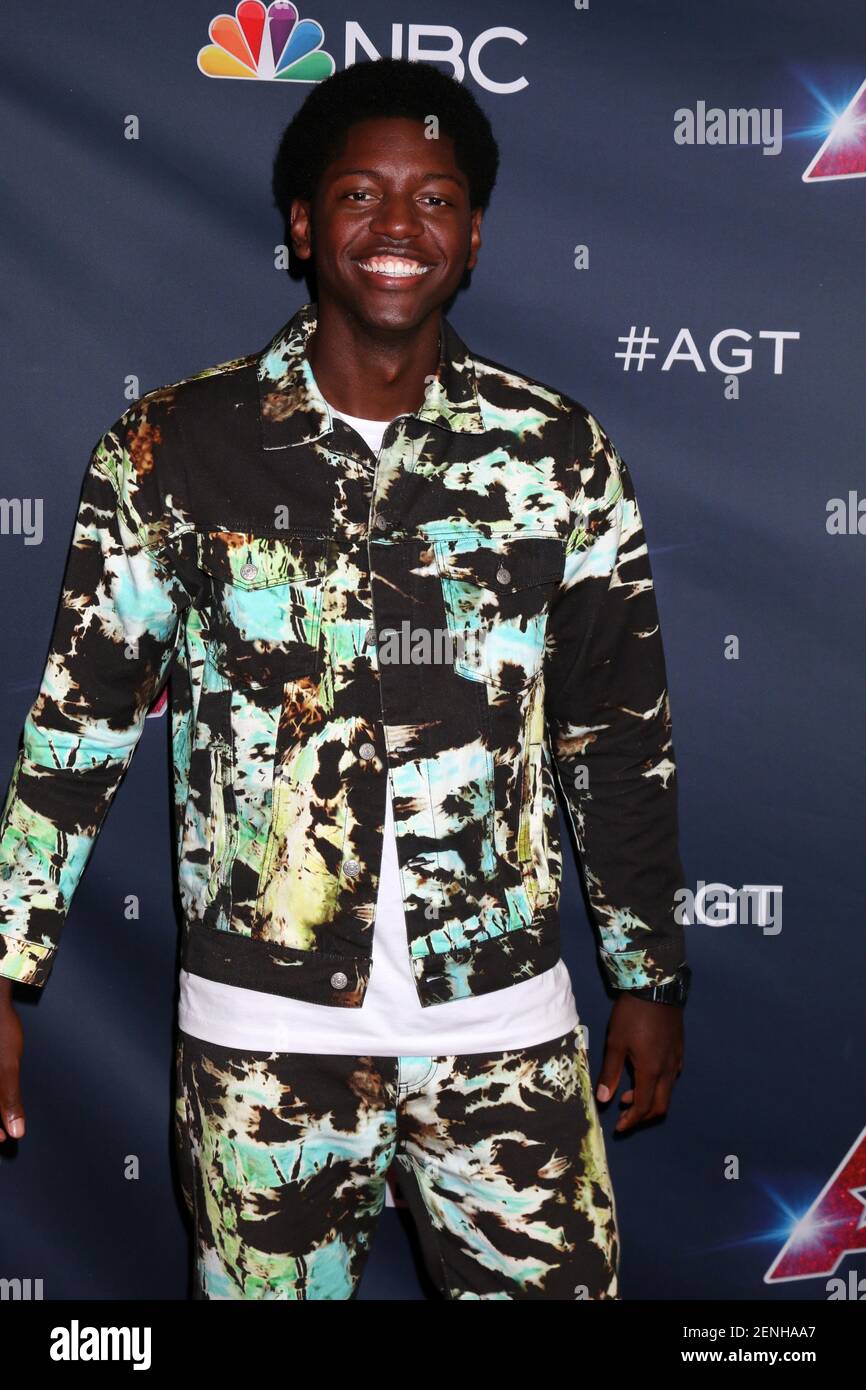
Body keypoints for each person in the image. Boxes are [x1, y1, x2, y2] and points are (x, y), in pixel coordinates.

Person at [0, 56, 690, 1300]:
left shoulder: (557, 454)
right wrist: (3, 962)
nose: (395, 227)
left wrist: (646, 972)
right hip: (262, 1045)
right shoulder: (168, 451)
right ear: (303, 223)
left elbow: (612, 731)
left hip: (504, 1031)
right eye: (360, 194)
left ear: (472, 237)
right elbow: (79, 728)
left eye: (433, 198)